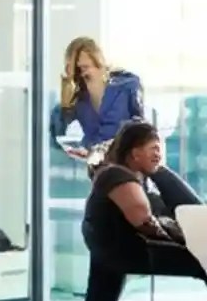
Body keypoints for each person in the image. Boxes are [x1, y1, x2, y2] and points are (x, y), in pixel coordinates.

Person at [77, 121, 206, 301]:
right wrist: (183, 244)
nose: (158, 154)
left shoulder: (119, 174)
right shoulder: (118, 175)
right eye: (153, 149)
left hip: (109, 251)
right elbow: (144, 220)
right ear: (135, 153)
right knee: (202, 261)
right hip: (126, 250)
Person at [51, 36, 199, 208]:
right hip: (101, 170)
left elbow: (142, 126)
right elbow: (58, 134)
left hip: (131, 164)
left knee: (152, 206)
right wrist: (67, 87)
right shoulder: (79, 101)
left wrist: (123, 148)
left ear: (99, 63)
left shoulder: (126, 86)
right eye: (76, 70)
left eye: (85, 67)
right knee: (111, 217)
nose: (82, 74)